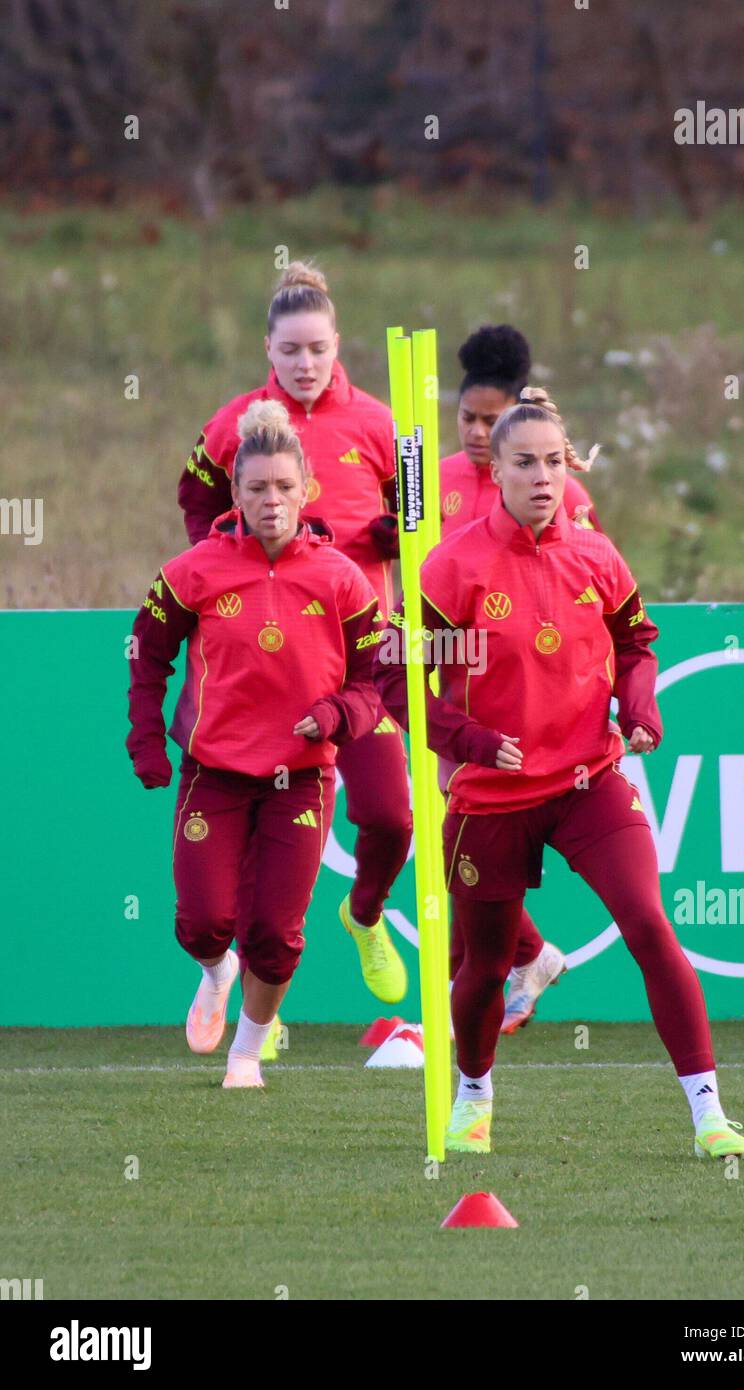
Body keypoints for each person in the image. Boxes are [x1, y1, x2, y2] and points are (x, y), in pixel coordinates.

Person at [376, 388, 744, 1161]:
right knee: (483, 969)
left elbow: (636, 643)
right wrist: (468, 738)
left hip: (589, 780)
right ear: (498, 471)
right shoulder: (457, 568)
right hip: (492, 796)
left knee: (650, 926)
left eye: (553, 462)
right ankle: (474, 1097)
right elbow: (397, 676)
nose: (542, 477)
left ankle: (710, 1116)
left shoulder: (595, 554)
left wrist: (639, 709)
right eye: (525, 463)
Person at [177, 262, 411, 1016]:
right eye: (290, 352)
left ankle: (366, 914)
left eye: (318, 349)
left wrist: (393, 540)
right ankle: (257, 1006)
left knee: (390, 815)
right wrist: (223, 562)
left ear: (338, 345)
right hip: (267, 662)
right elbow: (197, 497)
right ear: (267, 352)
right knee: (251, 835)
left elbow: (421, 526)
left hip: (358, 666)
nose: (305, 365)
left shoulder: (381, 424)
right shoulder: (235, 421)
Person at [128, 401, 382, 1088]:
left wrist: (335, 716)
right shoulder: (192, 572)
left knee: (276, 932)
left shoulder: (342, 580)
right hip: (214, 774)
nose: (271, 501)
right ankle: (217, 973)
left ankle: (248, 1050)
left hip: (299, 779)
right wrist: (147, 737)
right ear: (235, 493)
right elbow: (148, 655)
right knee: (202, 923)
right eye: (257, 488)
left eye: (284, 488)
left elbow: (373, 680)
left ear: (307, 490)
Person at [441, 325, 601, 1033]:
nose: (477, 434)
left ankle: (462, 1013)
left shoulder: (554, 487)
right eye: (466, 419)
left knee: (460, 845)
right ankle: (524, 961)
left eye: (489, 420)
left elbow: (595, 578)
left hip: (519, 701)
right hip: (439, 687)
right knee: (444, 844)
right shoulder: (434, 479)